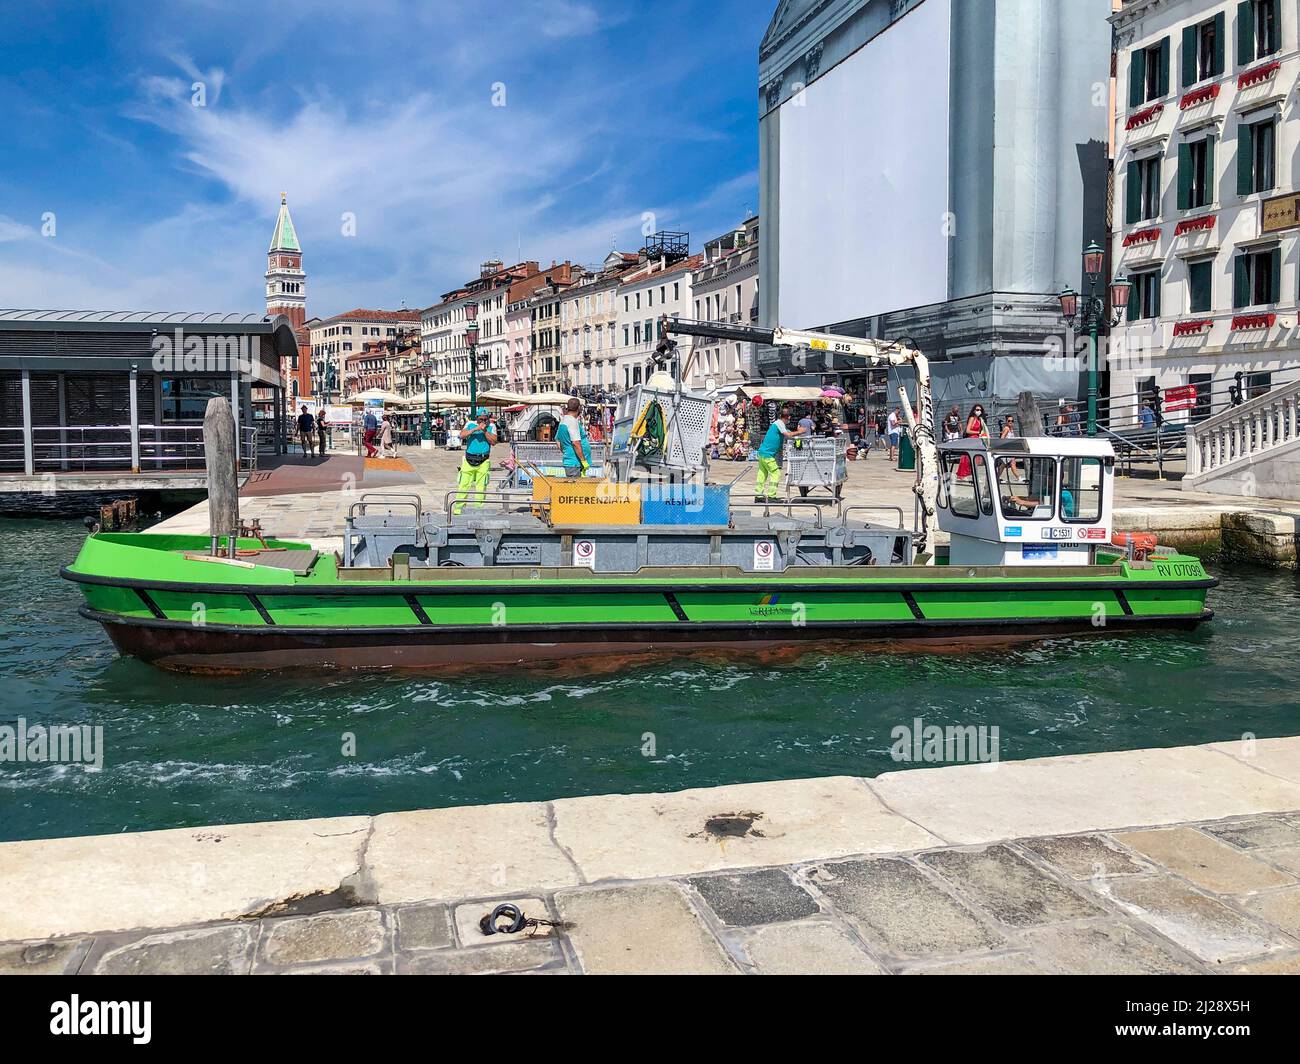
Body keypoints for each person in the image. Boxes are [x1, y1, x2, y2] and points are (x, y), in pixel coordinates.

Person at [754, 404, 807, 502]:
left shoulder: (778, 424)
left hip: (762, 453)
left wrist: (797, 435)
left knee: (762, 474)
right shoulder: (779, 424)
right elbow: (788, 434)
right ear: (788, 417)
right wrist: (800, 431)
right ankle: (771, 495)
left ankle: (758, 495)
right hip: (767, 454)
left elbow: (790, 434)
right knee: (776, 473)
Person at [453, 407, 498, 514]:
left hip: (483, 460)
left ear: (488, 419)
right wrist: (475, 429)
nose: (483, 421)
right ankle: (458, 509)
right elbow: (461, 435)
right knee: (463, 485)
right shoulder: (470, 424)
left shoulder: (491, 426)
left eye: (485, 419)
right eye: (480, 419)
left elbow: (494, 441)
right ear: (476, 418)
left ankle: (478, 509)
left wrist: (484, 430)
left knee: (481, 487)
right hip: (469, 459)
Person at [556, 398, 592, 479]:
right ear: (579, 408)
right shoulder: (572, 421)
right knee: (576, 490)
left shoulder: (563, 421)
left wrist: (566, 451)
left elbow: (558, 440)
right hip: (575, 464)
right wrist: (583, 461)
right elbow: (576, 443)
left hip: (572, 462)